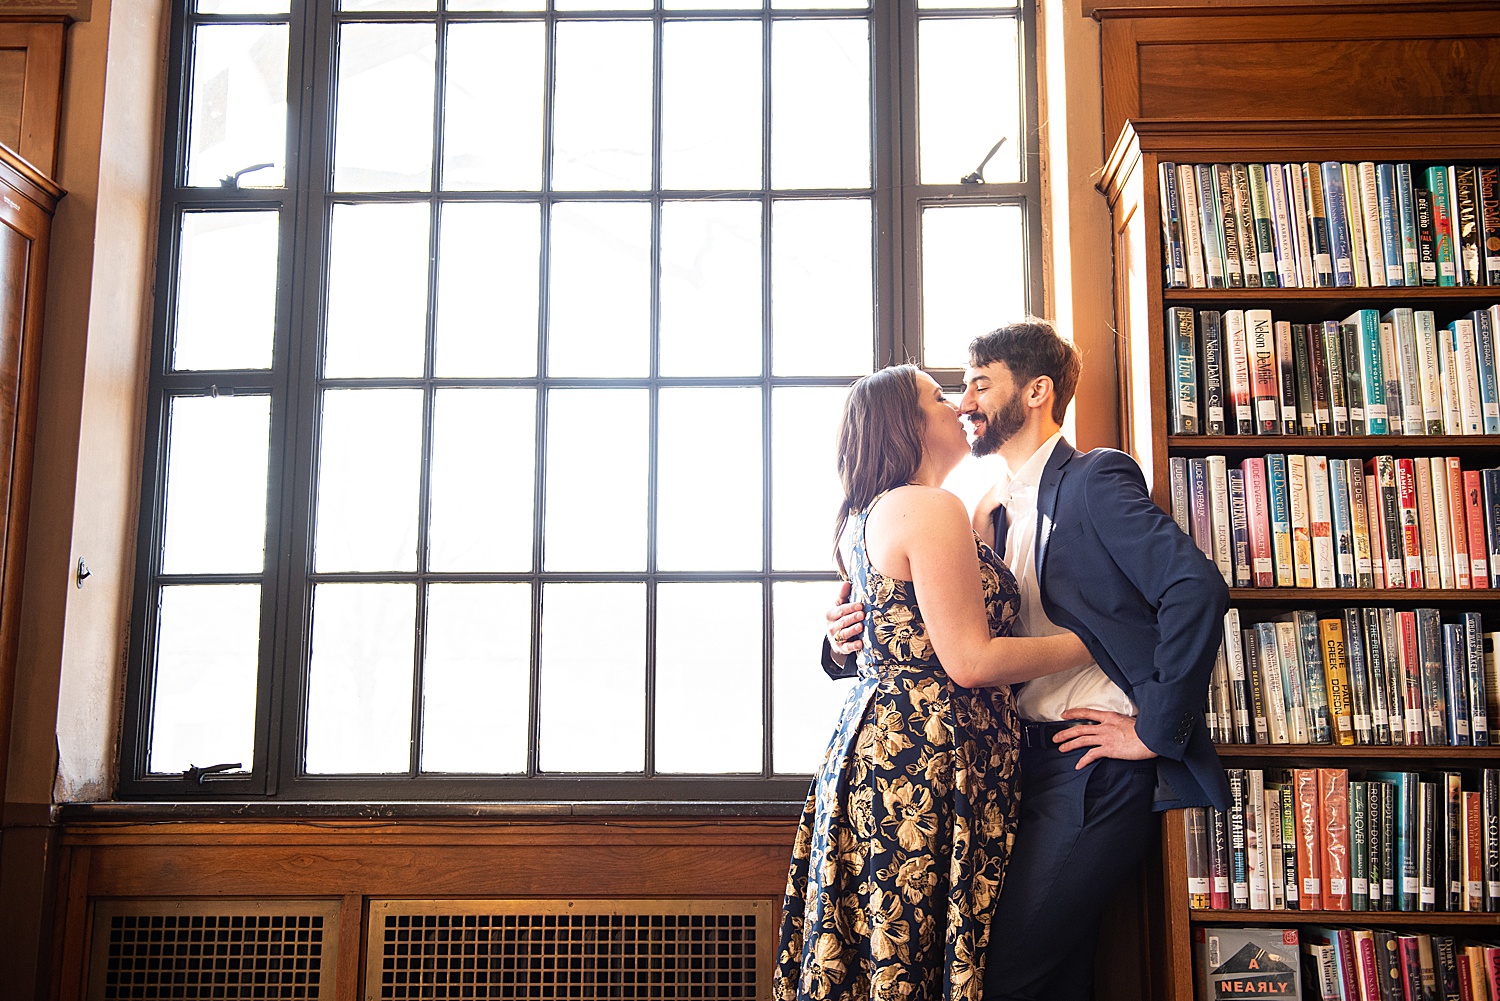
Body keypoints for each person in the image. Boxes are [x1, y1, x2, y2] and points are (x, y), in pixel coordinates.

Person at [823, 319, 1230, 1001]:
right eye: (955, 390)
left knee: (1001, 976)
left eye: (980, 384)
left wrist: (1156, 729)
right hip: (1010, 770)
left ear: (1037, 391)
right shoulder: (978, 509)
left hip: (1090, 765)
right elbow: (914, 619)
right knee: (1056, 978)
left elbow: (1196, 588)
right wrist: (843, 638)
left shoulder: (1095, 479)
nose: (965, 402)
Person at [774, 364, 1095, 1001]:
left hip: (892, 750)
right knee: (921, 948)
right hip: (928, 759)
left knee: (895, 952)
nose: (958, 405)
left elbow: (901, 630)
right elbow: (969, 661)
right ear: (909, 424)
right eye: (938, 396)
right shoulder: (926, 507)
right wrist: (1096, 645)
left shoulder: (880, 512)